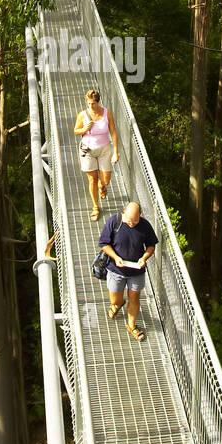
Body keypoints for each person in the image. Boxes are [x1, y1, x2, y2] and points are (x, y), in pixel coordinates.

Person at [98, 202, 158, 341]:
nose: (132, 224)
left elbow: (151, 245)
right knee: (115, 300)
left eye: (136, 221)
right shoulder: (114, 221)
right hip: (116, 269)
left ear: (140, 216)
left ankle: (131, 325)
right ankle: (118, 304)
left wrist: (144, 258)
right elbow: (103, 244)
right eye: (129, 221)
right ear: (123, 214)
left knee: (134, 297)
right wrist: (116, 257)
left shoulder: (145, 225)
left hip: (136, 271)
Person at [74, 89, 119, 220]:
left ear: (98, 102)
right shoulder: (83, 115)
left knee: (105, 180)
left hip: (104, 149)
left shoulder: (107, 113)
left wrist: (115, 151)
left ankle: (102, 186)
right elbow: (76, 130)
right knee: (92, 179)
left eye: (93, 103)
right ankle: (95, 206)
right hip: (87, 150)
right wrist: (84, 129)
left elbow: (113, 132)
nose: (90, 106)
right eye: (88, 103)